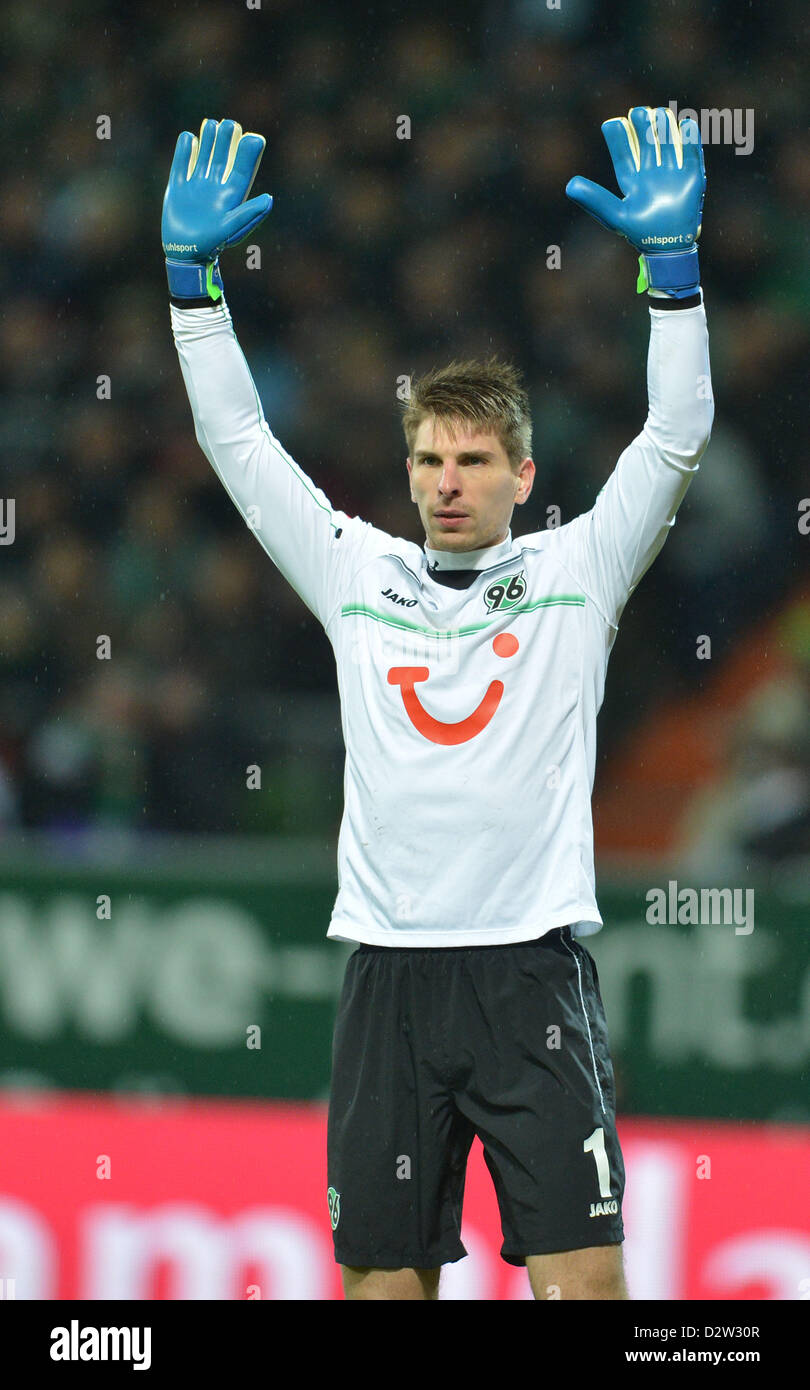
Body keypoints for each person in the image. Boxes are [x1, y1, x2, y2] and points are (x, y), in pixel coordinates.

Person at [162, 106, 712, 1300]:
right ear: (406, 468)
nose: (445, 482)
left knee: (586, 1288)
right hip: (388, 976)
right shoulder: (358, 570)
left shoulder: (577, 571)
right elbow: (235, 435)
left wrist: (675, 279)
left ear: (523, 474)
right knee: (382, 1291)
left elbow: (676, 435)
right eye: (426, 459)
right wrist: (189, 286)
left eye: (471, 460)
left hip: (530, 978)